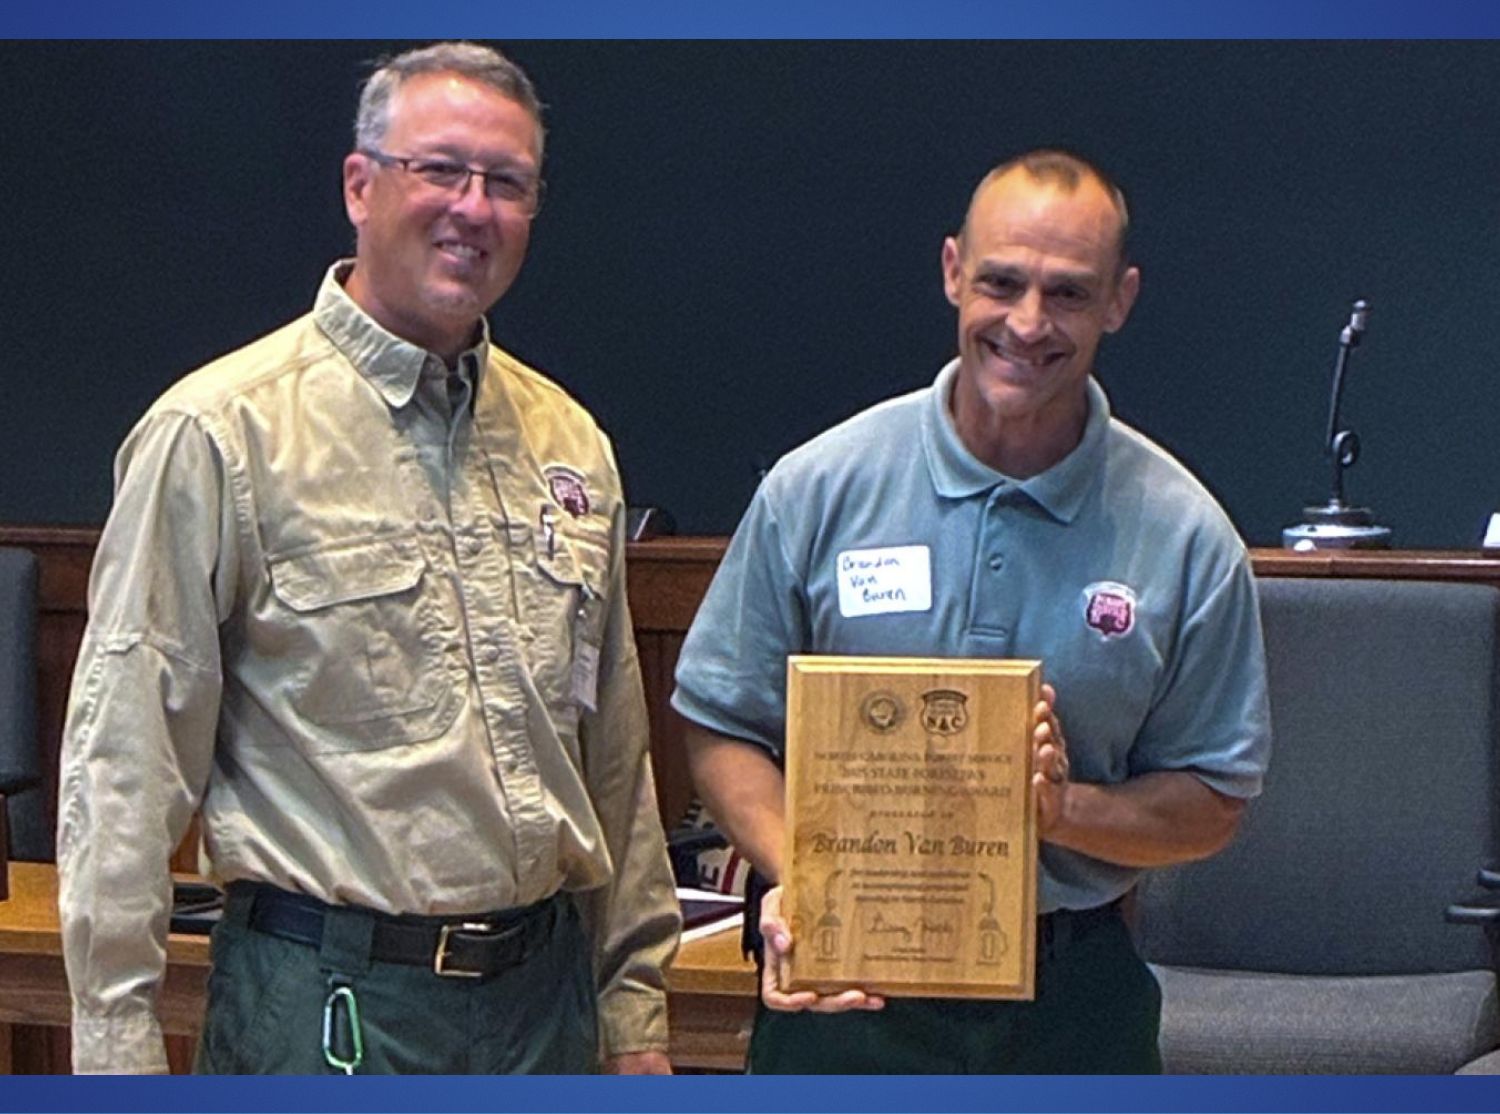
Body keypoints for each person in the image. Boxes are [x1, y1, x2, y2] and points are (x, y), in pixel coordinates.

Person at [57, 42, 679, 1075]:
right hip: (328, 1009)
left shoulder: (569, 441)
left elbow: (611, 754)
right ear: (360, 184)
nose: (472, 208)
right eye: (439, 169)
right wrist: (115, 1048)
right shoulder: (220, 432)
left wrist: (635, 1010)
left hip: (547, 1009)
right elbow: (126, 758)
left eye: (506, 183)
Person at [671, 150, 1271, 1074]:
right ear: (953, 271)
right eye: (1002, 283)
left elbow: (1214, 800)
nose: (1028, 325)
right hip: (847, 999)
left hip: (1072, 1003)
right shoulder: (821, 487)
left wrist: (1060, 809)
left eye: (1068, 294)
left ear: (1120, 300)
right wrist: (816, 876)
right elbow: (719, 725)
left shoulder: (1185, 536)